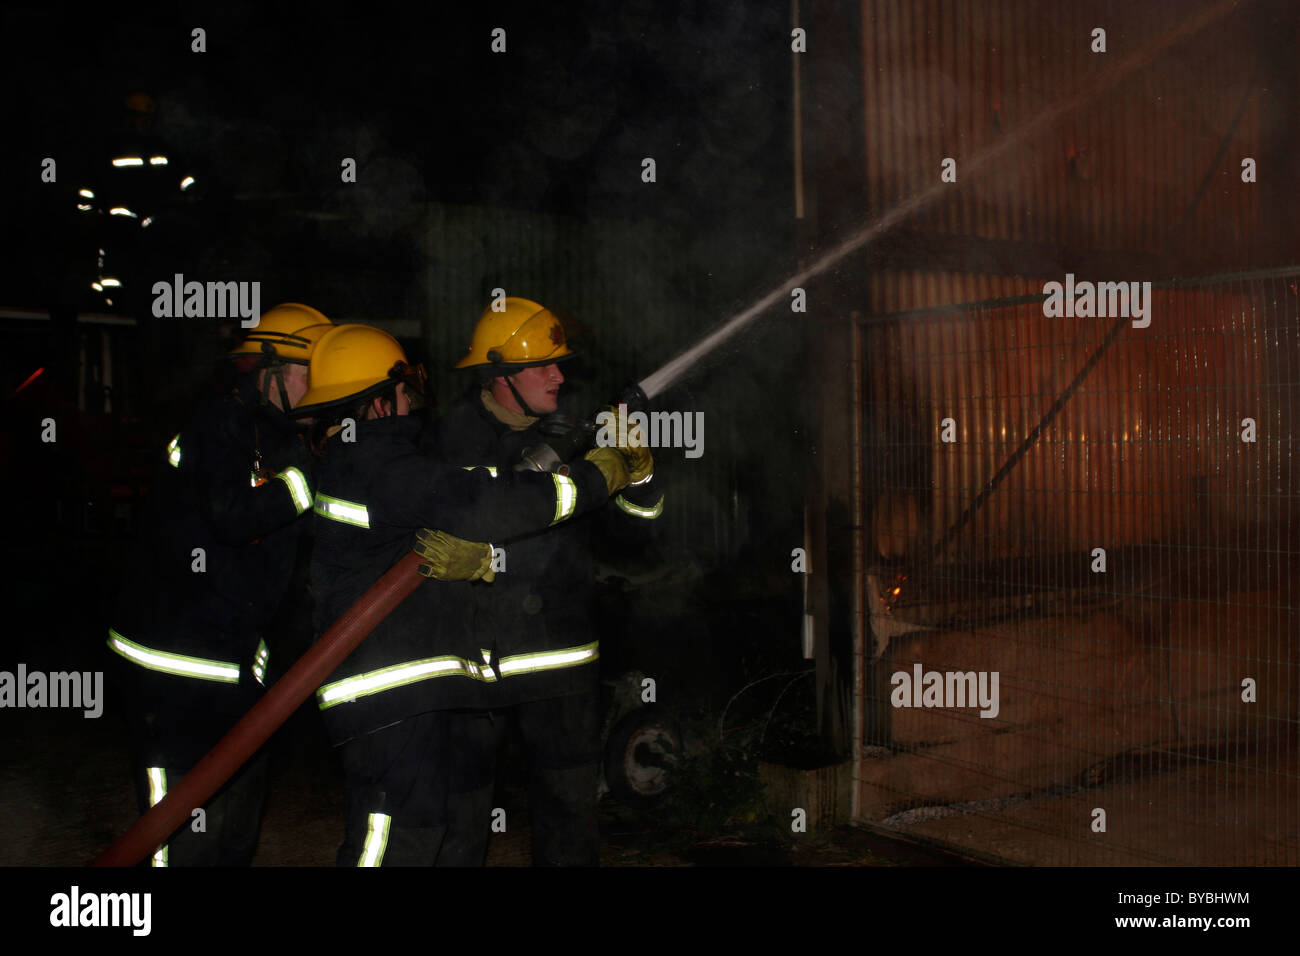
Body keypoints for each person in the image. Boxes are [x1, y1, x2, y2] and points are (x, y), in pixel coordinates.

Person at [297, 322, 638, 866]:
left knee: (421, 831)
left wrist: (632, 476)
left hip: (438, 683)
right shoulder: (389, 459)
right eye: (404, 390)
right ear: (379, 401)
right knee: (404, 840)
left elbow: (418, 531)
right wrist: (594, 482)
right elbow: (480, 506)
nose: (559, 375)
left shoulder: (370, 459)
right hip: (409, 689)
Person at [429, 297, 663, 866]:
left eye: (560, 364)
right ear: (500, 375)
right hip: (471, 665)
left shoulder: (575, 434)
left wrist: (639, 475)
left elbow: (635, 537)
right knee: (459, 817)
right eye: (544, 365)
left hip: (560, 663)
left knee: (569, 814)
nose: (560, 375)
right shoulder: (448, 442)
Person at [106, 302, 333, 866]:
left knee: (233, 830)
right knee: (179, 834)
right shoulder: (219, 426)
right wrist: (308, 482)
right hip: (173, 670)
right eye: (312, 369)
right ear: (271, 368)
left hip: (236, 669)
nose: (323, 384)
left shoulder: (286, 440)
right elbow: (232, 516)